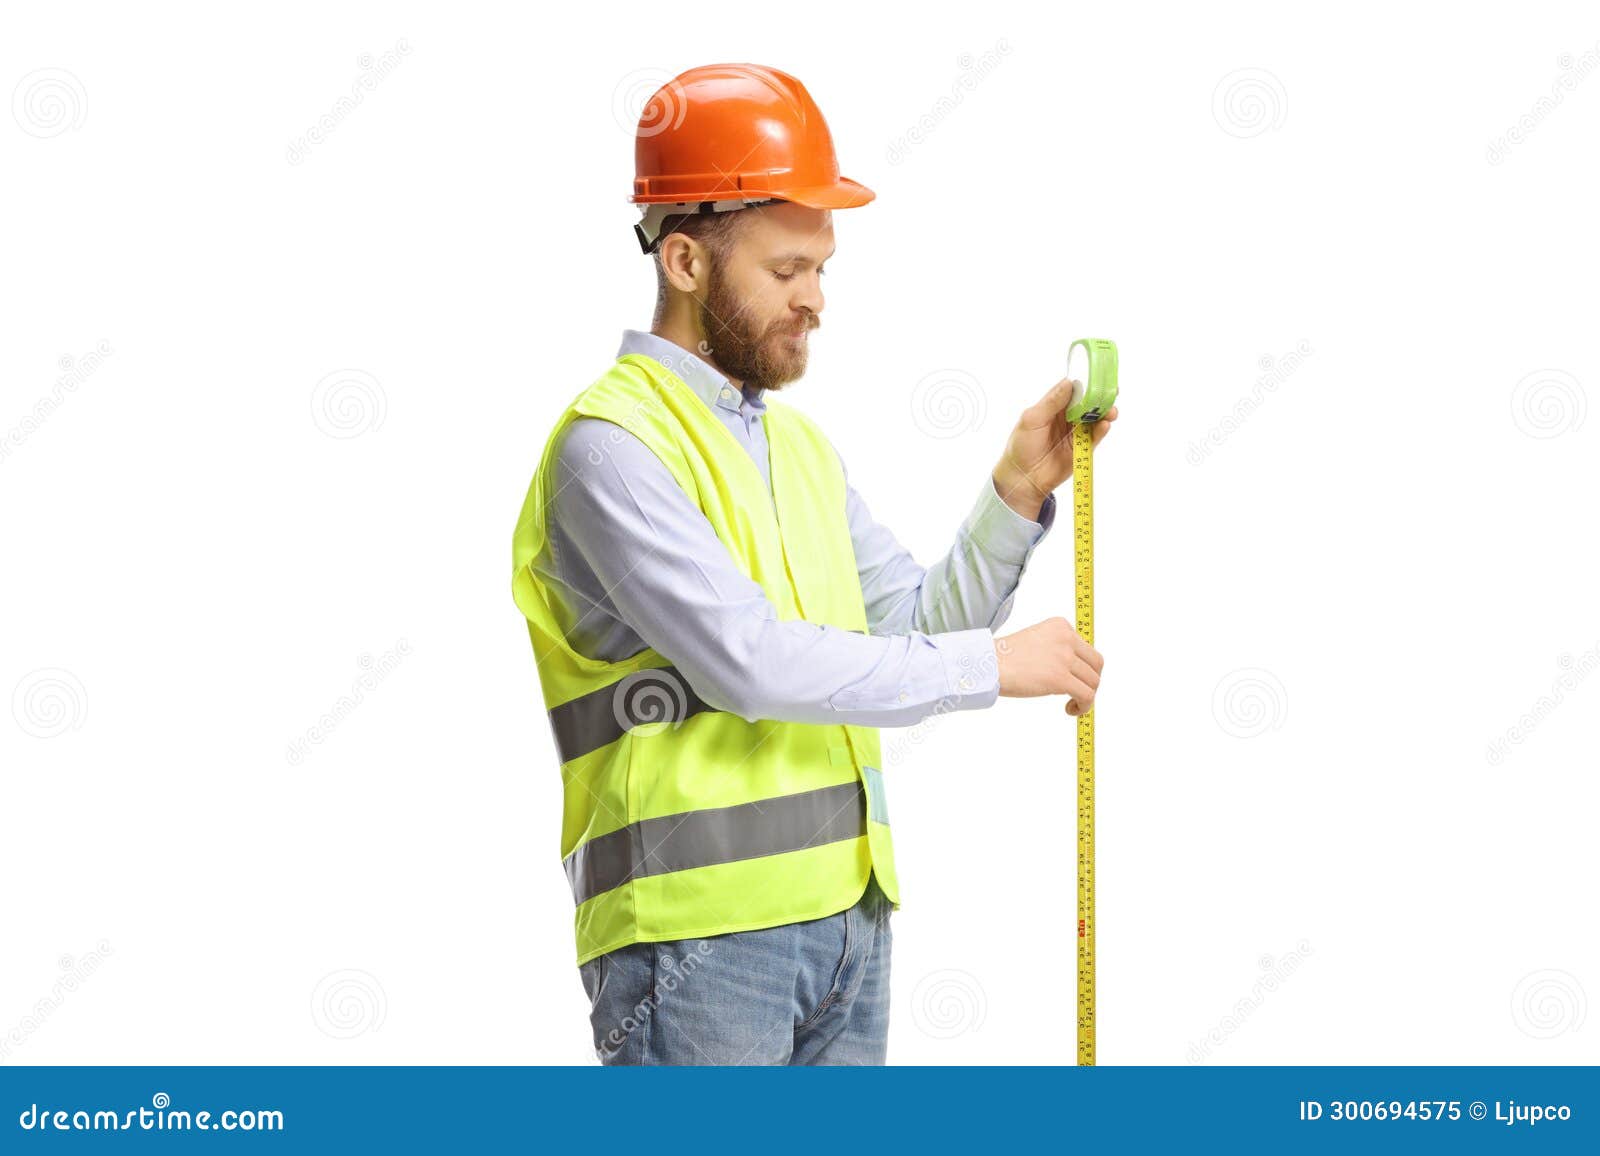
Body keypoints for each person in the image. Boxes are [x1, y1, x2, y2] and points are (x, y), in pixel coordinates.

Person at [509, 63, 1117, 1065]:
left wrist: (1014, 492)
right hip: (697, 939)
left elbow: (914, 626)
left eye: (823, 269)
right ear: (685, 262)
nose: (817, 300)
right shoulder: (610, 449)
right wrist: (993, 667)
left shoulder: (795, 448)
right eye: (787, 270)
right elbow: (748, 662)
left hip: (848, 923)